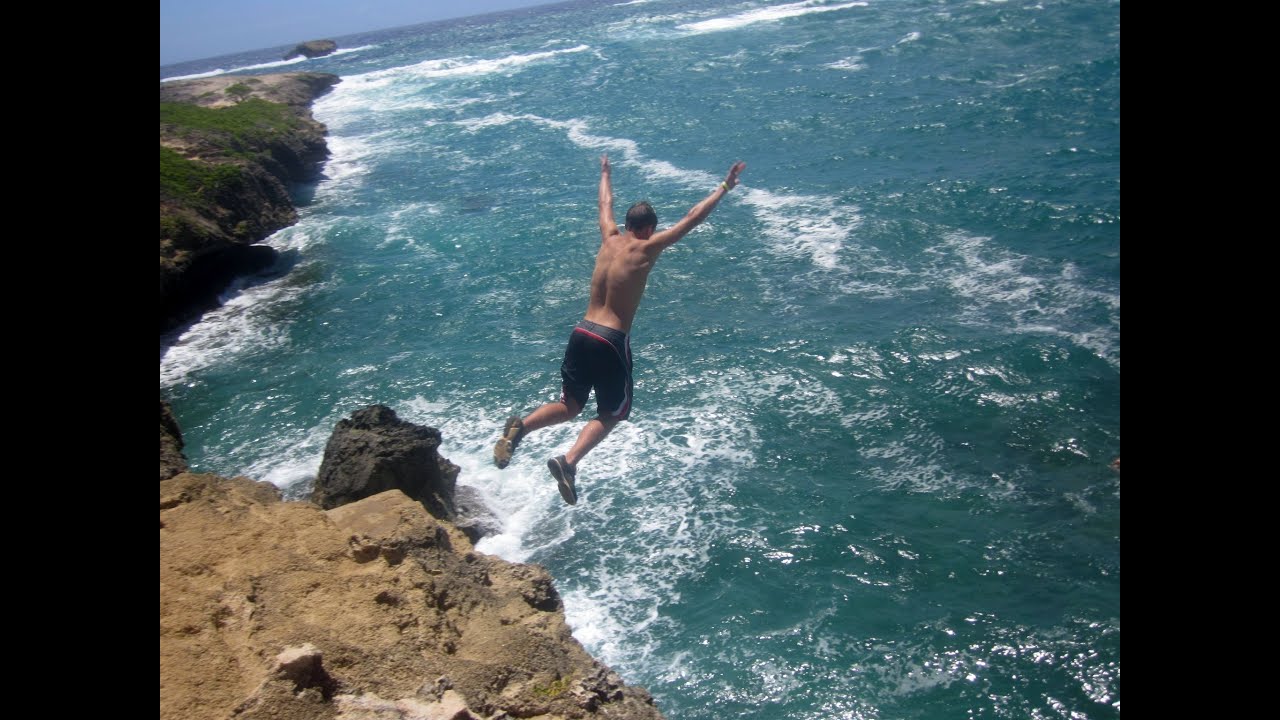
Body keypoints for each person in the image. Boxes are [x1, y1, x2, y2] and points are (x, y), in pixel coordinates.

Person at [494, 154, 747, 504]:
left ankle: (521, 427)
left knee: (570, 404)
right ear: (646, 229)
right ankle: (568, 463)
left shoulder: (609, 237)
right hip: (611, 340)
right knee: (613, 413)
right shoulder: (647, 248)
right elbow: (691, 218)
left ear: (627, 224)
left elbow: (604, 203)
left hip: (581, 332)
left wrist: (605, 172)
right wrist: (723, 187)